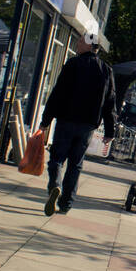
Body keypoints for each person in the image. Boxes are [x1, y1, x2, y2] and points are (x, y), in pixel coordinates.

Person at [40, 31, 116, 216]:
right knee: (76, 164)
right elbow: (110, 101)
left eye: (80, 41)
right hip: (87, 126)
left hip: (66, 120)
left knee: (57, 159)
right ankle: (66, 204)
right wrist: (110, 131)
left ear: (90, 45)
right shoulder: (106, 70)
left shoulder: (73, 64)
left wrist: (45, 121)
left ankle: (55, 186)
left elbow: (58, 94)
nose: (77, 44)